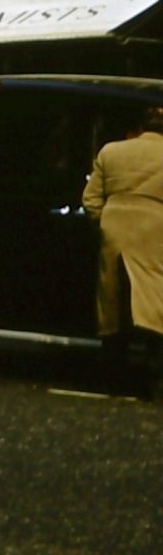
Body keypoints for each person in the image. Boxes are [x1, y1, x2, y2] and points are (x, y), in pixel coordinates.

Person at [82, 107, 163, 396]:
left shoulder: (111, 152)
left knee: (112, 300)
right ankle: (154, 374)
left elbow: (90, 199)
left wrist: (106, 220)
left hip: (115, 226)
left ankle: (114, 374)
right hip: (156, 230)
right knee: (154, 300)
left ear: (141, 128)